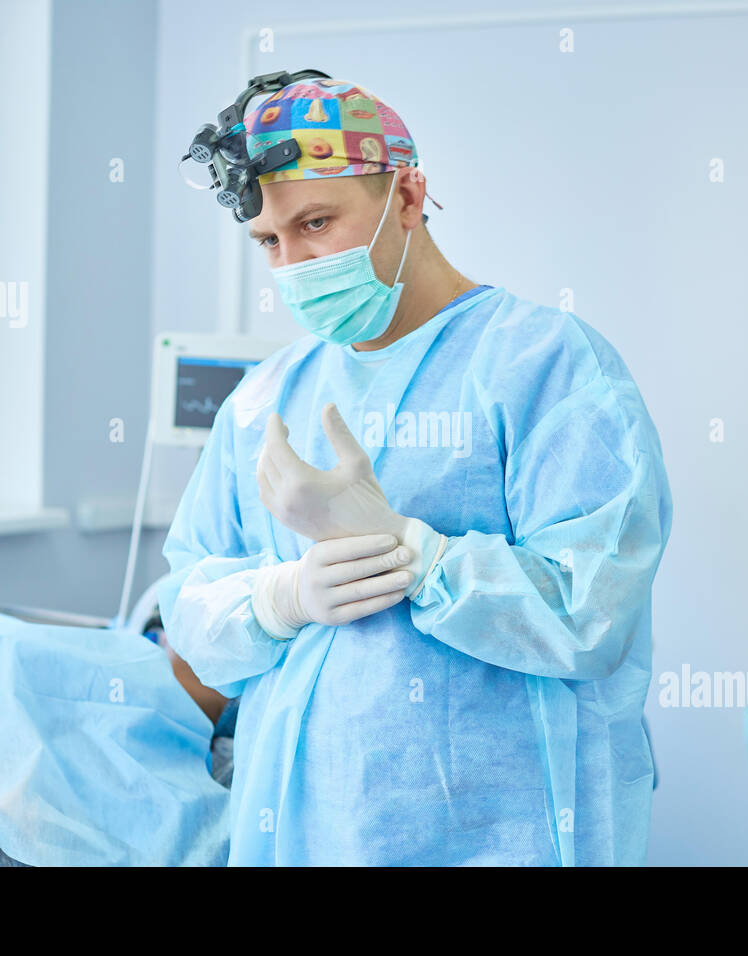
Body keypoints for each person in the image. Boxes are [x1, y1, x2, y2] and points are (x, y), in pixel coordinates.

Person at [159, 75, 672, 865]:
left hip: (502, 823)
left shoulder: (544, 363)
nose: (293, 263)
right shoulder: (267, 397)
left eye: (317, 223)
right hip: (304, 824)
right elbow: (191, 605)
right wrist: (279, 598)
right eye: (269, 241)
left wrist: (412, 551)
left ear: (406, 194)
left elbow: (590, 614)